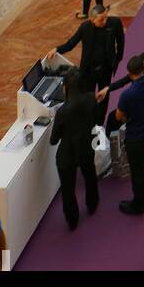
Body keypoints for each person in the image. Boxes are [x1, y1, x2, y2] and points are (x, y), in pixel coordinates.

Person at [52, 3, 125, 124]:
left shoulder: (115, 23)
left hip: (106, 69)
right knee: (87, 99)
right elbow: (71, 44)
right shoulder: (84, 27)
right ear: (92, 19)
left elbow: (121, 42)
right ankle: (88, 123)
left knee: (104, 98)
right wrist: (56, 49)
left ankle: (100, 124)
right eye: (101, 20)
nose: (105, 21)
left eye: (106, 17)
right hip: (88, 71)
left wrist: (118, 59)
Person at [49, 68, 101, 229]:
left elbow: (53, 140)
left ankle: (72, 219)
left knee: (68, 189)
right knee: (90, 176)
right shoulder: (91, 98)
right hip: (87, 147)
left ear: (66, 88)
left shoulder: (62, 112)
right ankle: (92, 204)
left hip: (68, 155)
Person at [106, 53, 144, 215]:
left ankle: (139, 204)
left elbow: (119, 116)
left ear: (130, 72)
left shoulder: (127, 95)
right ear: (142, 68)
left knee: (138, 172)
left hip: (135, 138)